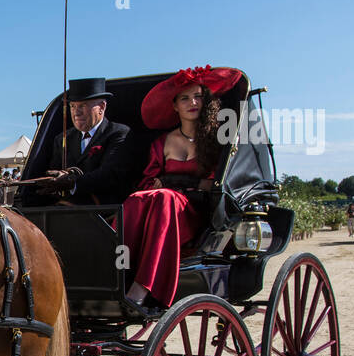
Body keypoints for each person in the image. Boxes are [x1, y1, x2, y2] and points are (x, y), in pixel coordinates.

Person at [122, 65, 241, 308]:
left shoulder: (218, 139)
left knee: (165, 198)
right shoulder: (163, 142)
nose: (192, 102)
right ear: (175, 106)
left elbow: (215, 185)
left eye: (198, 96)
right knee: (137, 198)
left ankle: (144, 285)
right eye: (184, 98)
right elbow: (149, 181)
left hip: (197, 214)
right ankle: (117, 267)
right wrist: (170, 184)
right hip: (162, 209)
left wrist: (175, 183)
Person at [26, 77, 136, 205]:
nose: (76, 113)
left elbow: (109, 175)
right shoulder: (62, 139)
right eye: (73, 106)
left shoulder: (118, 133)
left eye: (82, 106)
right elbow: (53, 172)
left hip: (103, 212)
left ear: (101, 107)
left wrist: (72, 182)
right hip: (64, 210)